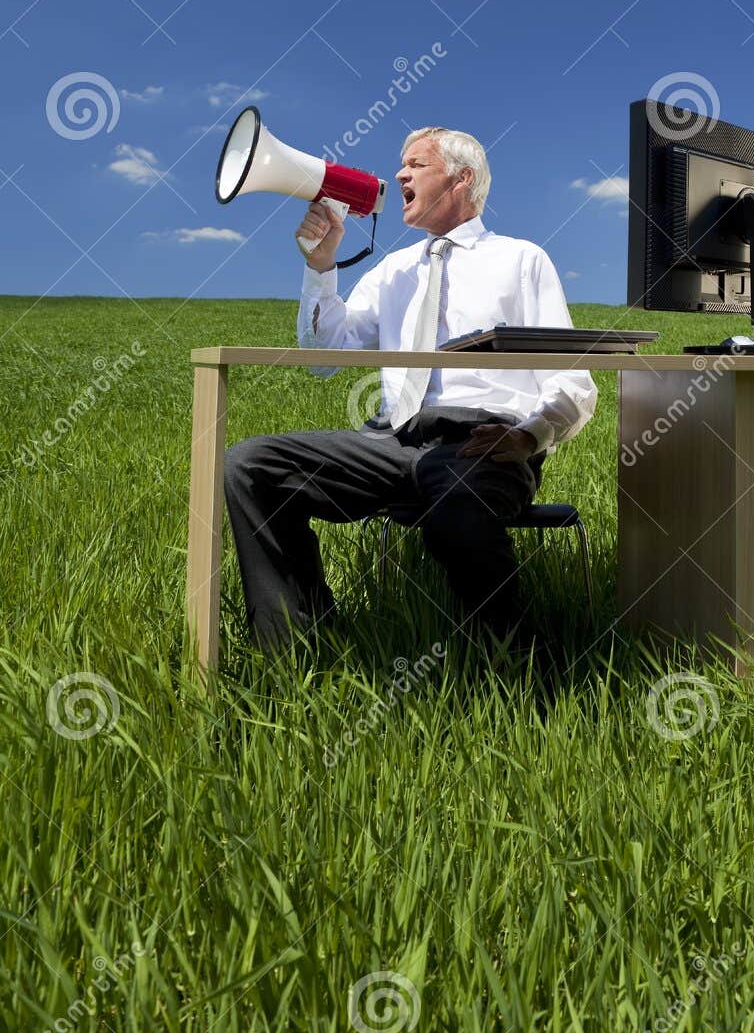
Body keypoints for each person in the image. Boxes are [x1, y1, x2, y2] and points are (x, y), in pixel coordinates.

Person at [224, 126, 597, 652]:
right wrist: (321, 264)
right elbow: (326, 357)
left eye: (416, 165)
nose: (398, 174)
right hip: (394, 441)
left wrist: (529, 438)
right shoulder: (394, 269)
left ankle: (521, 663)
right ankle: (297, 649)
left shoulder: (521, 260)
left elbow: (572, 379)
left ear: (462, 179)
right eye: (402, 164)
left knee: (458, 509)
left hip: (483, 443)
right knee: (250, 466)